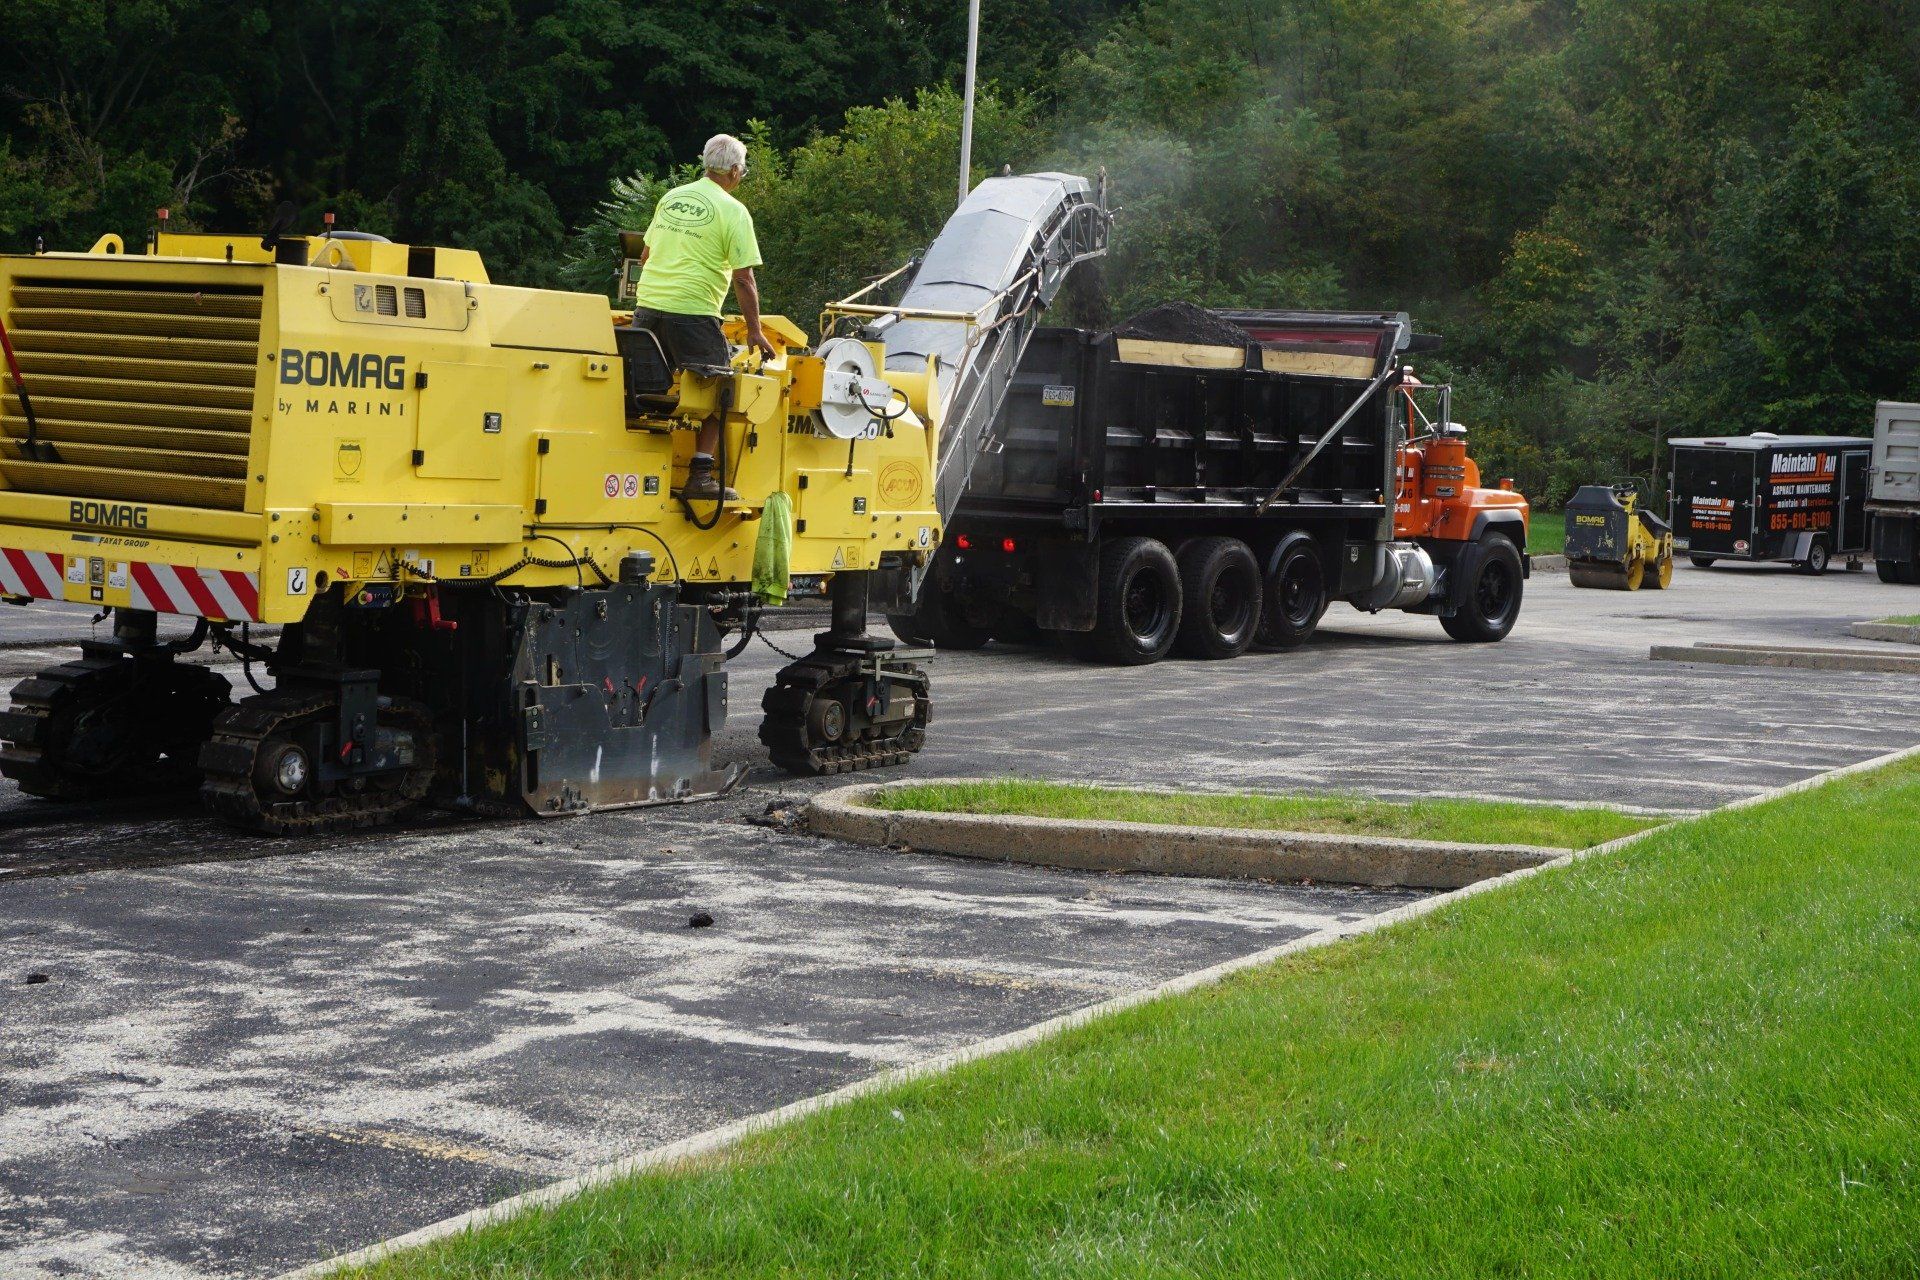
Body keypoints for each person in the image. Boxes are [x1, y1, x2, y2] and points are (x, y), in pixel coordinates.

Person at [631, 133, 776, 502]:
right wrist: (756, 331)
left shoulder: (672, 197)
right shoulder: (733, 211)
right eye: (742, 170)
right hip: (693, 310)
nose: (741, 175)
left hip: (647, 309)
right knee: (722, 389)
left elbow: (645, 257)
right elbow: (744, 278)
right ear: (732, 170)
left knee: (645, 387)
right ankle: (699, 475)